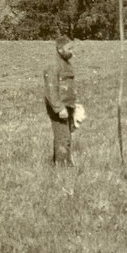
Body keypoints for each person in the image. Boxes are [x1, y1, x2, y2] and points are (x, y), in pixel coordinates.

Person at [44, 36, 78, 167]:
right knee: (62, 137)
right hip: (59, 108)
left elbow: (69, 87)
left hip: (68, 106)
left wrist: (74, 106)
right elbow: (51, 90)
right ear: (59, 49)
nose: (72, 51)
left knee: (65, 136)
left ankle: (60, 164)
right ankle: (63, 168)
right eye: (69, 48)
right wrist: (59, 108)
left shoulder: (65, 63)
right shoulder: (53, 65)